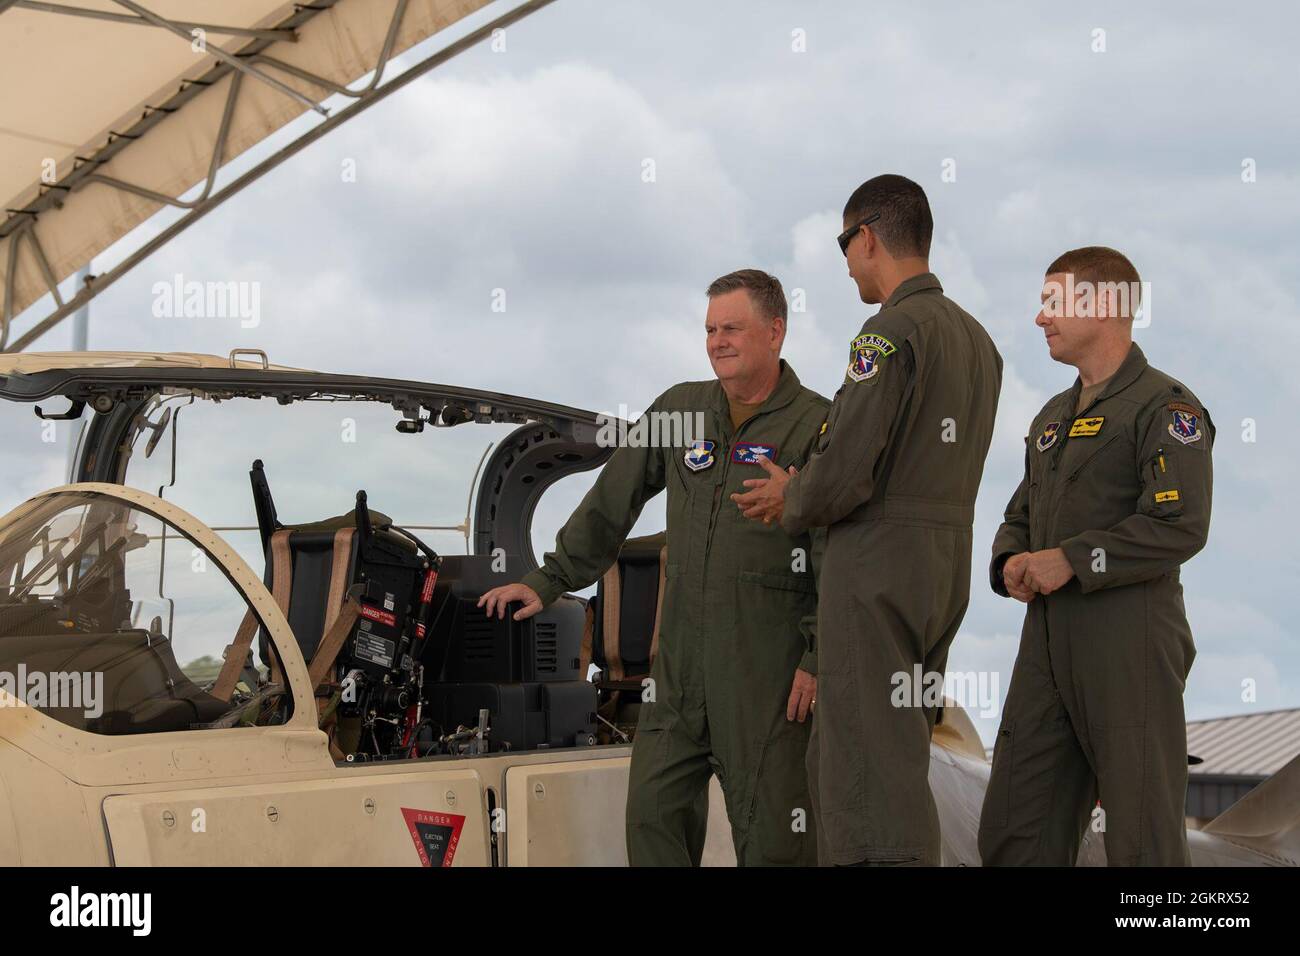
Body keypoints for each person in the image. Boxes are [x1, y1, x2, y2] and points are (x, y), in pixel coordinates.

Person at [479, 269, 828, 865]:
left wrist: (818, 657)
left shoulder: (820, 425)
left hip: (766, 680)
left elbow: (841, 552)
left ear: (776, 331)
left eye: (733, 328)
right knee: (651, 821)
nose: (718, 341)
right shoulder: (679, 411)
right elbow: (611, 502)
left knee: (776, 843)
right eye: (711, 329)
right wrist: (551, 578)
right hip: (679, 676)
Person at [732, 175, 1003, 865]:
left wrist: (791, 498)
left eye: (844, 244)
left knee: (860, 773)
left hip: (876, 572)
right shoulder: (978, 341)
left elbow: (849, 467)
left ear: (869, 237)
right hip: (943, 569)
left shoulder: (886, 334)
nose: (845, 261)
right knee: (900, 749)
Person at [978, 246, 1212, 866]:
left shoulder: (1166, 407)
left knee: (1142, 840)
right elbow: (1017, 516)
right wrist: (1009, 562)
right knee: (1014, 829)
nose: (1040, 318)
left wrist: (1074, 560)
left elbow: (1179, 524)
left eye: (1053, 302)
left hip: (1129, 640)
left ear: (1106, 305)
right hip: (1047, 643)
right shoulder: (1052, 417)